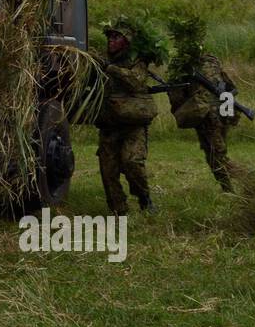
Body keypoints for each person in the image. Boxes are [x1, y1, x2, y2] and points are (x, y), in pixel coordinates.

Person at [166, 14, 238, 192]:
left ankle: (247, 181)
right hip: (212, 115)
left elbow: (230, 86)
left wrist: (224, 95)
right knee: (215, 154)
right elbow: (176, 96)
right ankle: (230, 190)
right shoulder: (199, 61)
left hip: (217, 113)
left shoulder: (201, 61)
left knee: (217, 156)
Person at [94, 19, 158, 214]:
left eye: (117, 37)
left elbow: (136, 83)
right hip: (109, 125)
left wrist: (110, 69)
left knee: (132, 162)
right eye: (110, 37)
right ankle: (119, 210)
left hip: (133, 125)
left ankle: (144, 198)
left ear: (127, 41)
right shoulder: (102, 60)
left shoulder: (137, 61)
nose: (111, 41)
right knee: (108, 171)